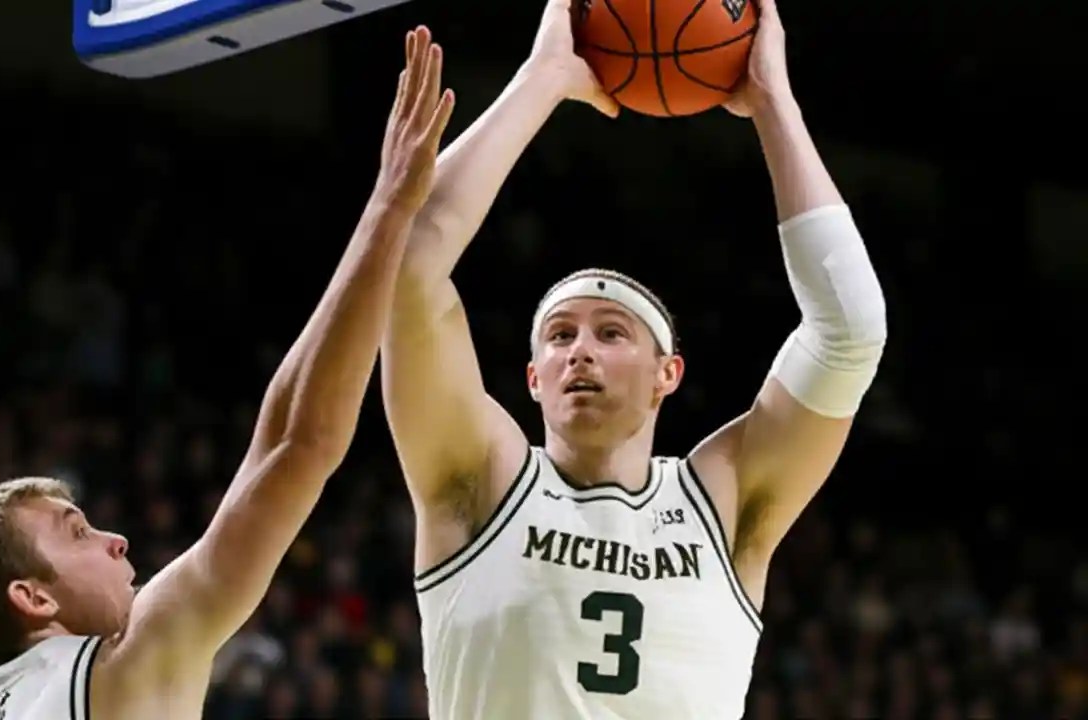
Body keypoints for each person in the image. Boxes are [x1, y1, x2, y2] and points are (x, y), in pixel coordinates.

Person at [0, 27, 455, 720]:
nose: (116, 539)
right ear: (33, 598)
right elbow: (294, 444)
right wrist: (389, 208)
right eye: (77, 532)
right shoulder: (116, 671)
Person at [379, 0, 887, 718]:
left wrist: (774, 102)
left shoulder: (722, 500)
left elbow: (851, 328)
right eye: (559, 336)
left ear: (666, 375)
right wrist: (543, 76)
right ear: (532, 378)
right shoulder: (479, 478)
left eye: (611, 332)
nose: (579, 348)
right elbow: (404, 266)